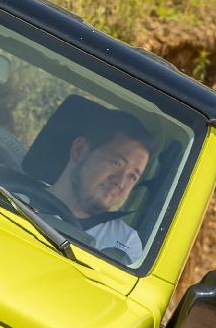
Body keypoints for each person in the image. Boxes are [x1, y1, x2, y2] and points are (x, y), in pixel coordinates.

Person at [42, 109, 155, 264]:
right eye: (117, 163)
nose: (120, 182)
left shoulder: (125, 243)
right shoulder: (12, 198)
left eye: (132, 176)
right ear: (79, 151)